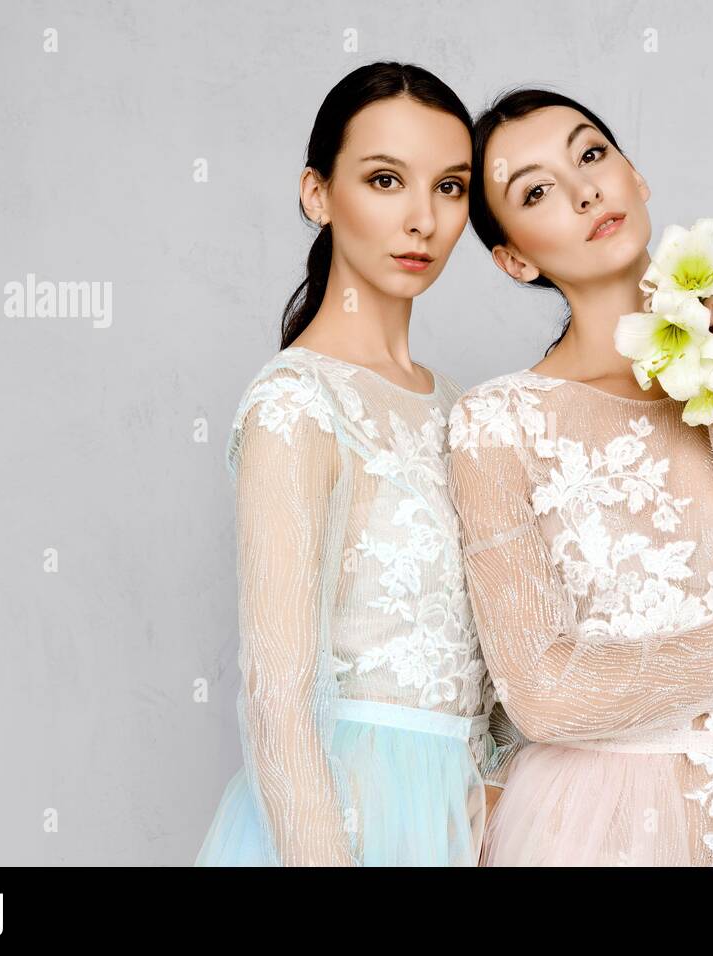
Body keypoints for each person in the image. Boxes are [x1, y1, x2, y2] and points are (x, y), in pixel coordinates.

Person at [446, 88, 713, 865]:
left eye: (591, 155)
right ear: (515, 258)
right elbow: (544, 696)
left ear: (635, 175)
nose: (583, 190)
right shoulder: (497, 423)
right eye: (537, 191)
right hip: (580, 830)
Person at [195, 62, 523, 867]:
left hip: (473, 823)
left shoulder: (461, 408)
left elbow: (507, 670)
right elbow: (278, 701)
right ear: (317, 194)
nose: (422, 219)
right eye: (385, 179)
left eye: (450, 188)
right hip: (348, 824)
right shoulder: (297, 406)